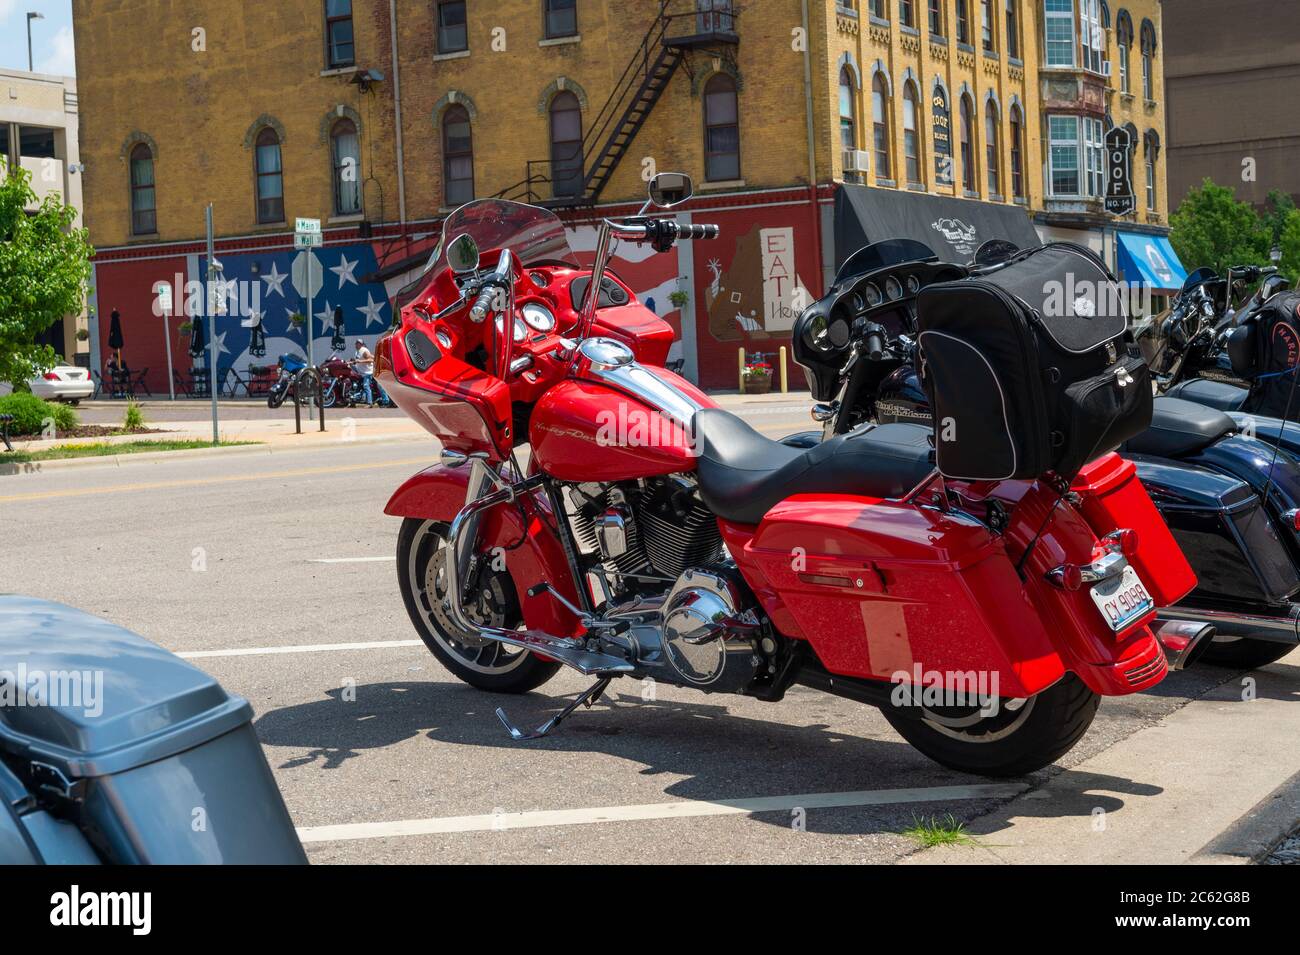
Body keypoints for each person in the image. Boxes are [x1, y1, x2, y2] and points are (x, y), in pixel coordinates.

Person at [353, 339, 376, 406]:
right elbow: (357, 360)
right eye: (356, 343)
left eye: (359, 343)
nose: (357, 344)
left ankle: (370, 402)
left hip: (367, 373)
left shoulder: (364, 351)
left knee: (366, 386)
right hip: (361, 373)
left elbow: (371, 360)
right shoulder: (357, 351)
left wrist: (360, 361)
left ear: (362, 344)